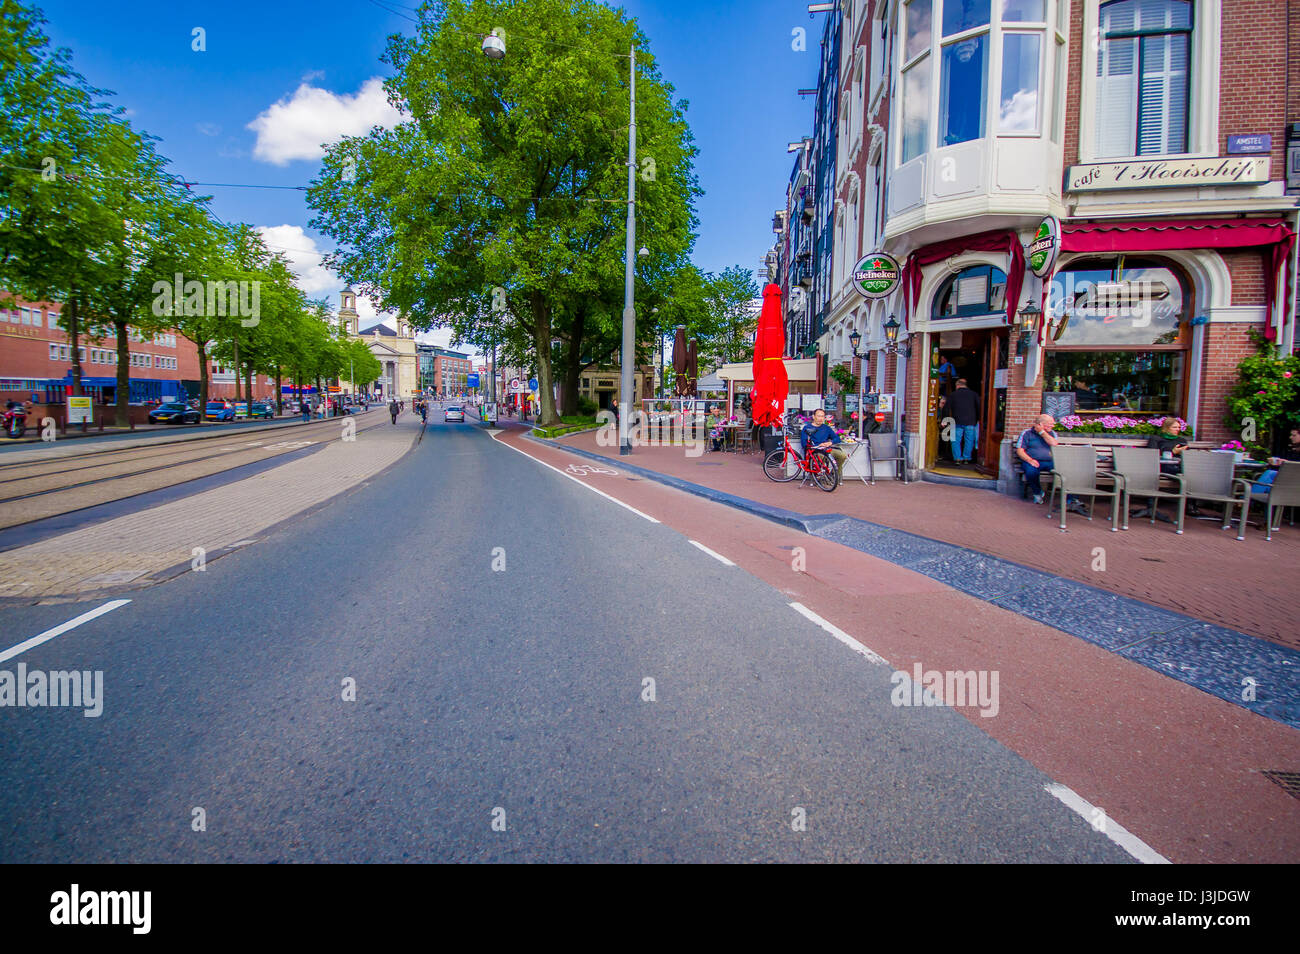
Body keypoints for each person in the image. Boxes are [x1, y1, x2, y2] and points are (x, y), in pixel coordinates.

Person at [1015, 414, 1086, 513]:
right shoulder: (1027, 433)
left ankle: (1070, 500)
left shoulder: (1052, 433)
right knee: (1031, 471)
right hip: (1032, 460)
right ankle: (1037, 492)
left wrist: (1042, 432)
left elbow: (1054, 444)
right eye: (1050, 424)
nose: (1052, 426)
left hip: (1050, 462)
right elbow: (1020, 451)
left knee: (1067, 471)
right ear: (1040, 424)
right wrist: (1029, 460)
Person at [939, 377, 980, 465]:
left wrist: (944, 420)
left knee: (955, 440)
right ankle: (966, 458)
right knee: (969, 440)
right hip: (971, 421)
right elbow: (979, 407)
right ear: (965, 386)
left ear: (957, 385)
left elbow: (946, 408)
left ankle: (957, 458)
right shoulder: (974, 394)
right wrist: (978, 419)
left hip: (956, 421)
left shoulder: (953, 394)